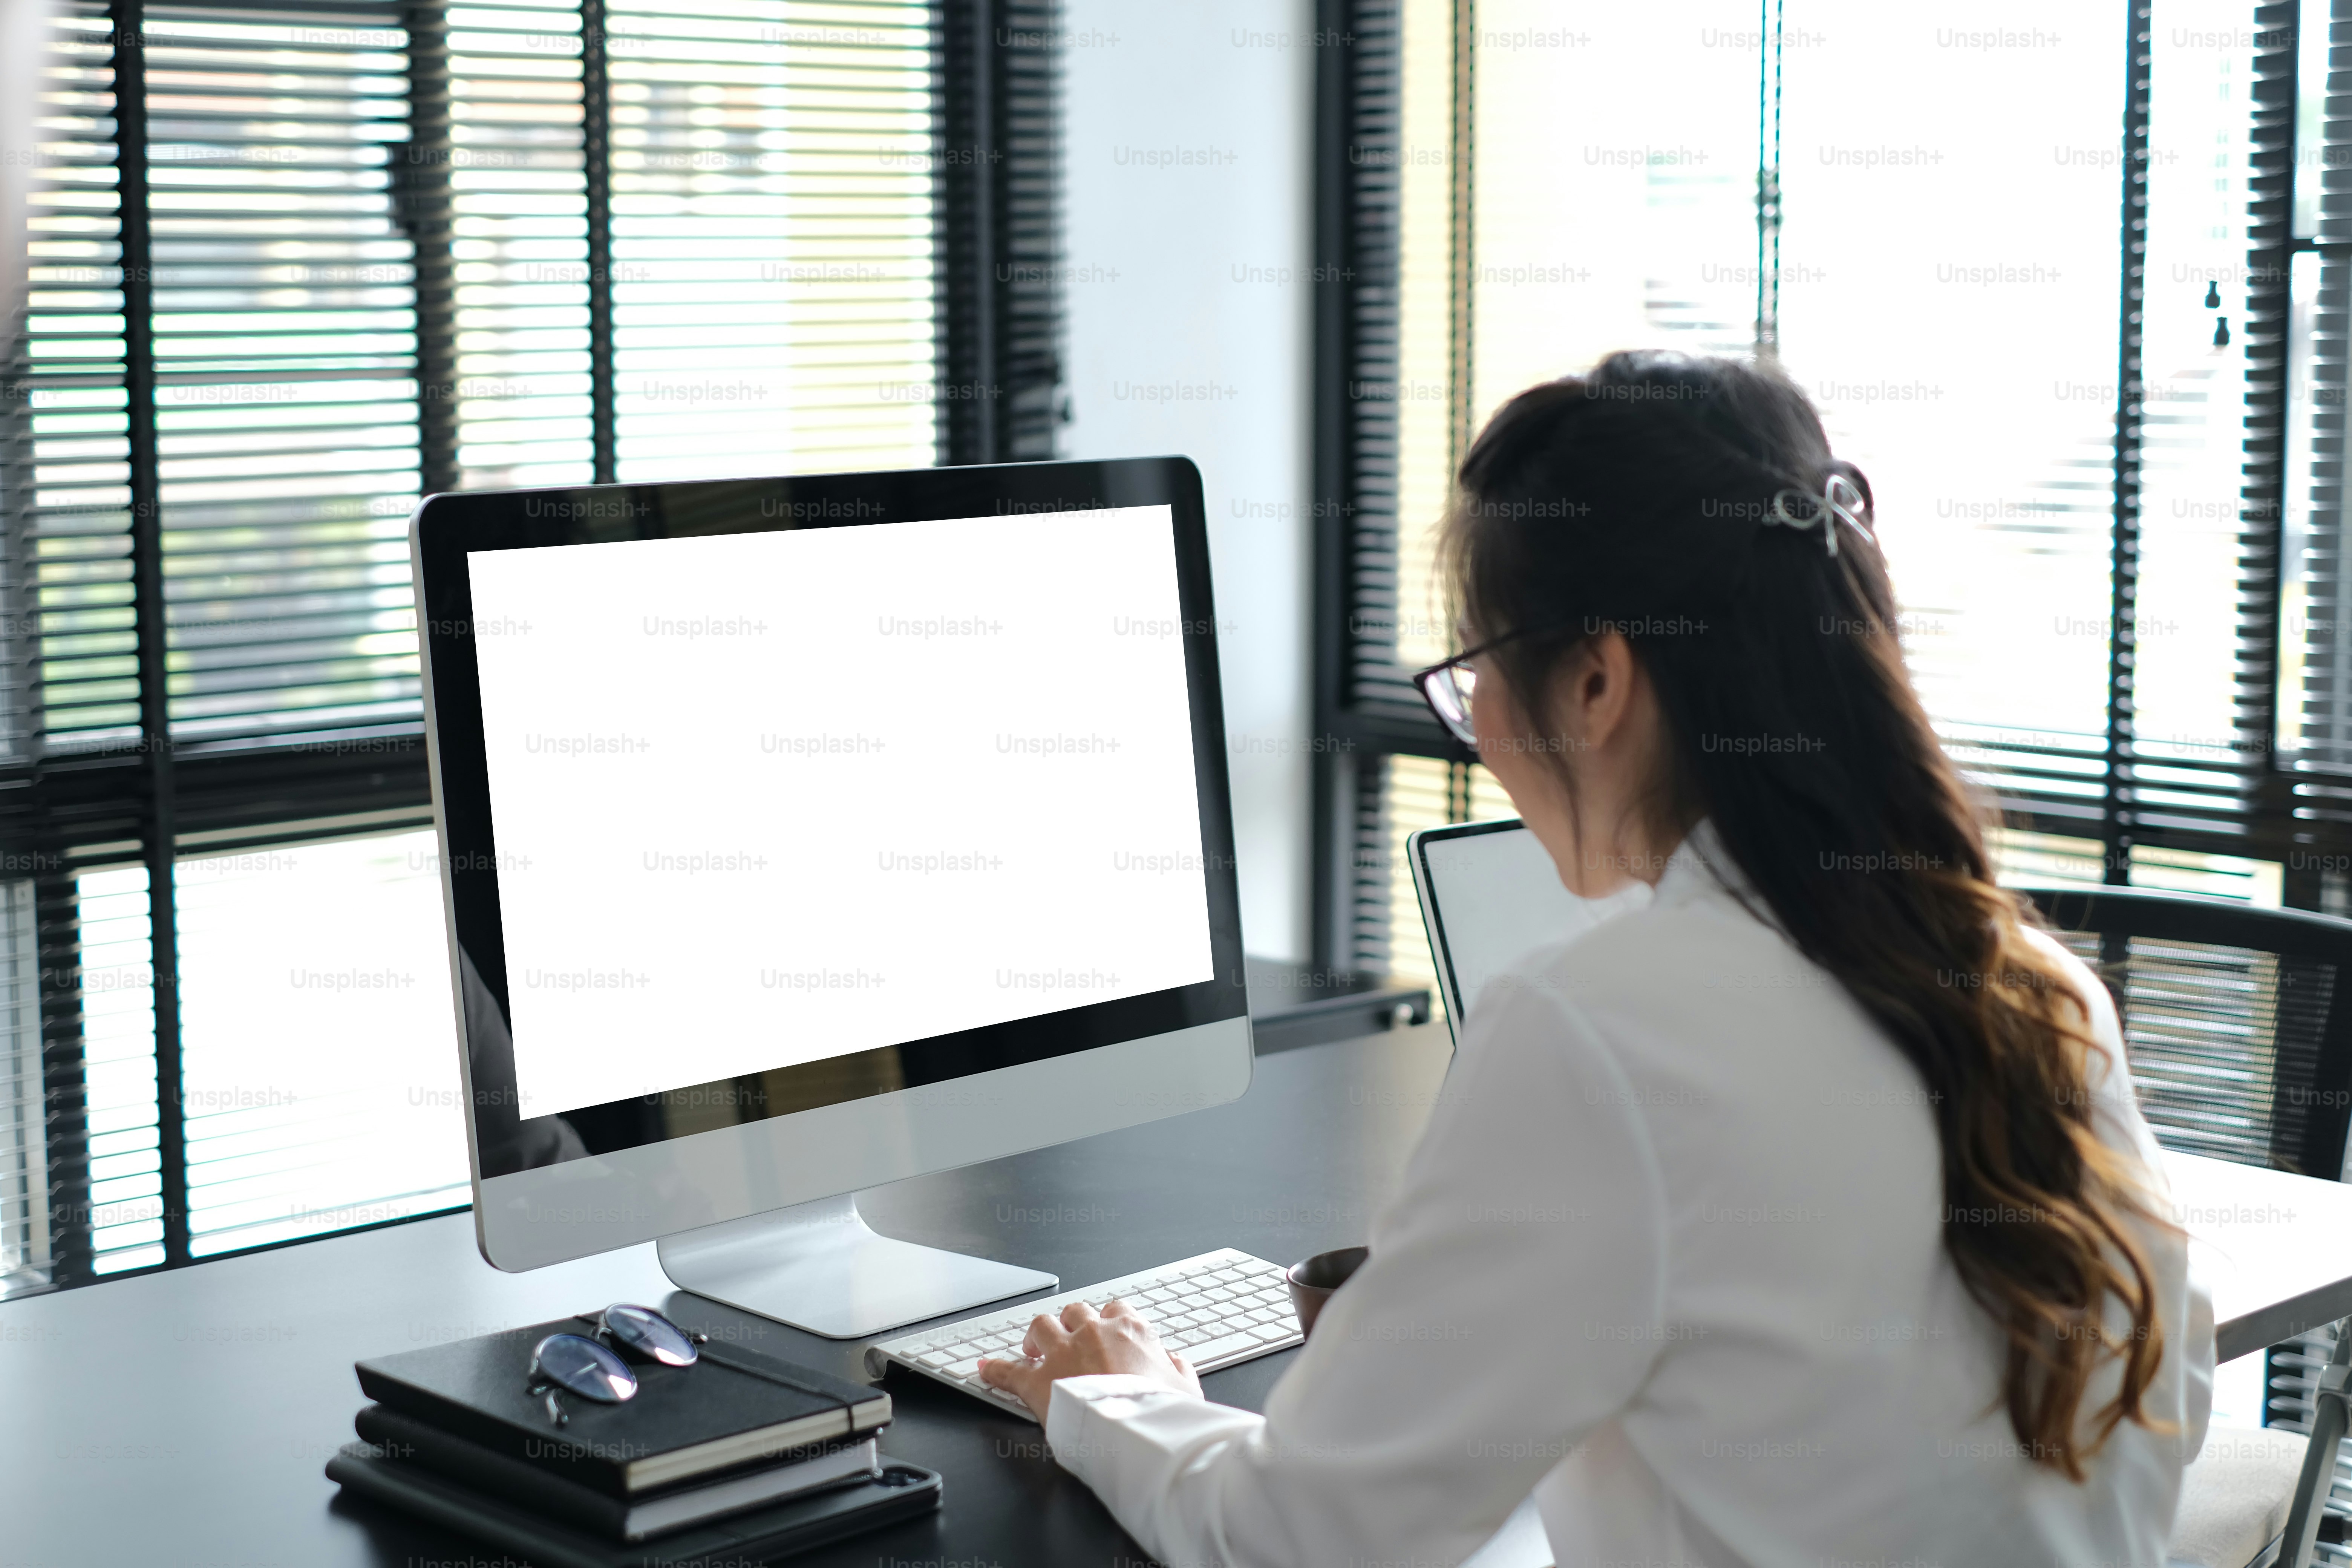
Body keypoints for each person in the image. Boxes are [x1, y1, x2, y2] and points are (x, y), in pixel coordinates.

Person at [978, 351, 2212, 1568]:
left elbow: (1297, 1538)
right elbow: (2169, 1398)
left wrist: (1120, 1399)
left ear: (1597, 679)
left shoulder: (1602, 1031)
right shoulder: (2035, 985)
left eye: (1475, 674)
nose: (1479, 729)